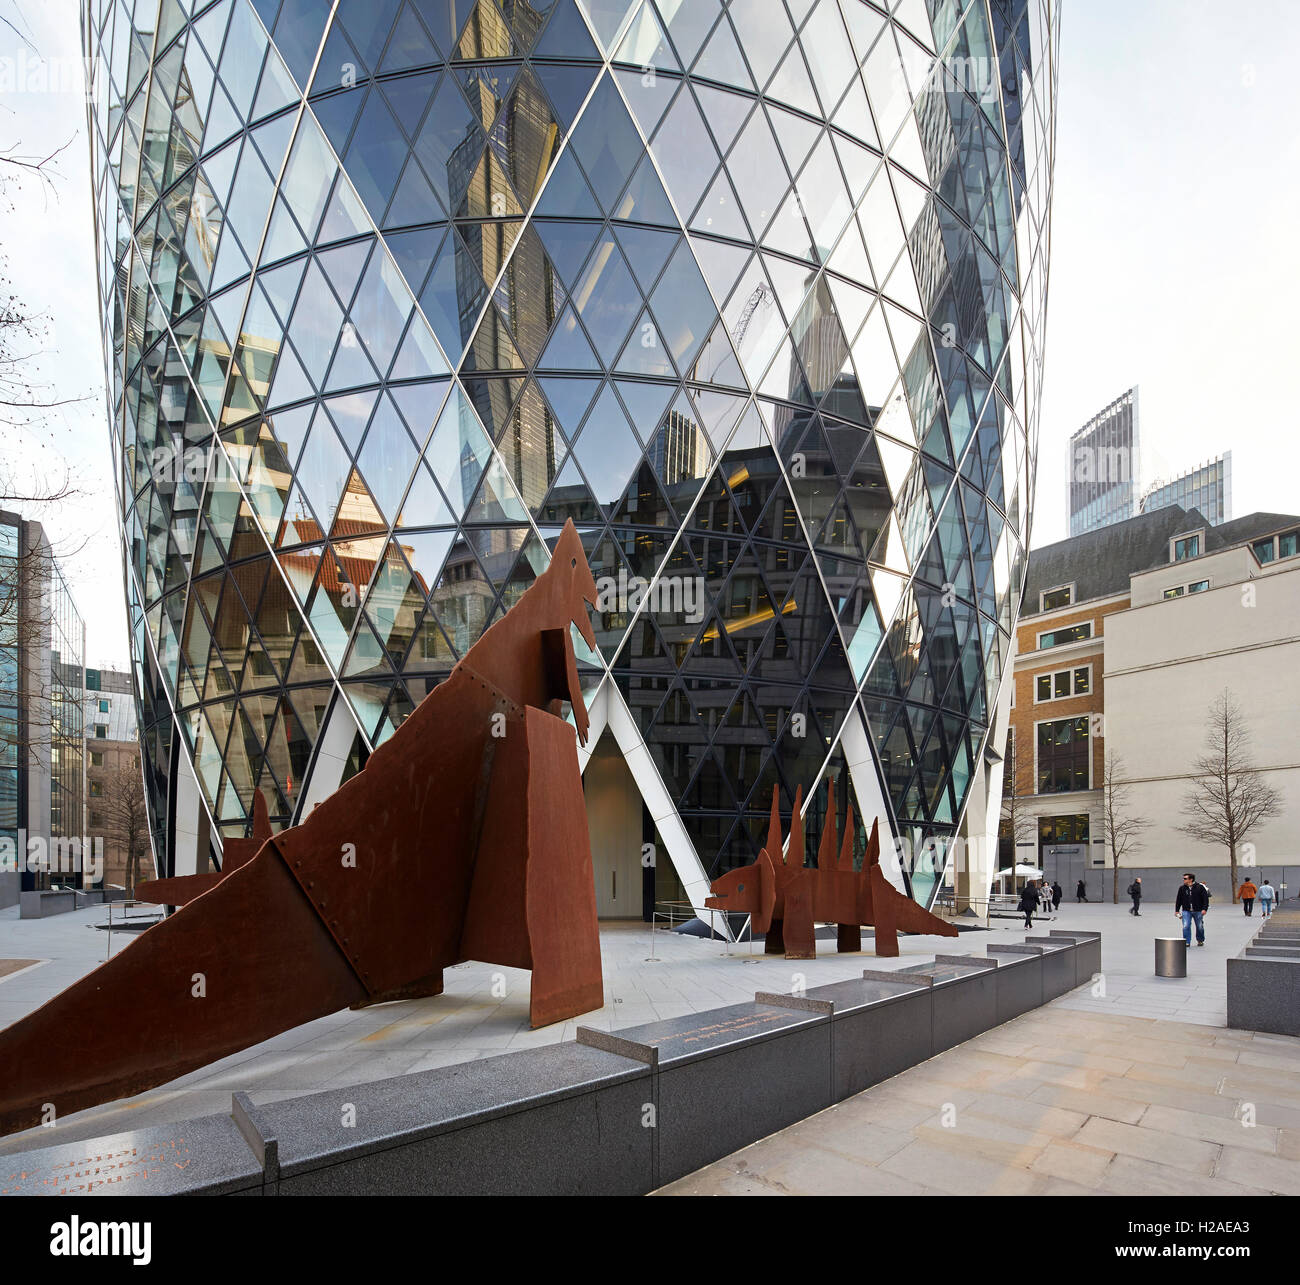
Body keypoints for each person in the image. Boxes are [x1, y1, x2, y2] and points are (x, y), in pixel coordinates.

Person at [1175, 872, 1209, 946]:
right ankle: (1187, 941)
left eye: (1185, 878)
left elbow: (1205, 899)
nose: (1183, 880)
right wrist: (1177, 911)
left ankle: (1200, 940)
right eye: (1183, 878)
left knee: (1199, 926)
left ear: (1191, 879)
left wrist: (1204, 909)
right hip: (1186, 911)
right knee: (1186, 926)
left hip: (1198, 911)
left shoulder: (1200, 887)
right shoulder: (1182, 888)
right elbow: (1178, 900)